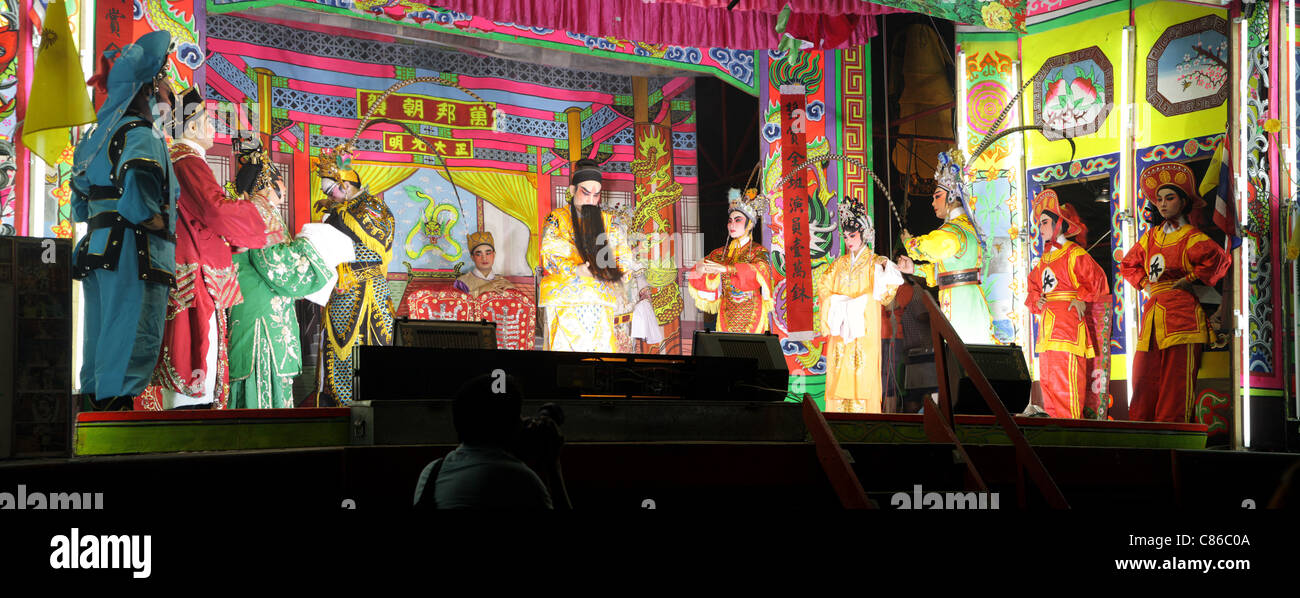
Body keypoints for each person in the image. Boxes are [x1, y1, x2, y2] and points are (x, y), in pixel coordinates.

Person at [140, 88, 269, 410]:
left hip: (182, 265)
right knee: (194, 348)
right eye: (208, 121)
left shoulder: (178, 161)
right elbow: (216, 211)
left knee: (189, 345)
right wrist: (258, 213)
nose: (214, 128)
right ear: (192, 128)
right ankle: (189, 425)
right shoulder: (188, 161)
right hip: (192, 272)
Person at [70, 31, 177, 411]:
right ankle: (116, 442)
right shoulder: (142, 134)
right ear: (147, 88)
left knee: (100, 340)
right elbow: (139, 193)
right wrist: (152, 221)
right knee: (131, 339)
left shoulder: (96, 136)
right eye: (164, 81)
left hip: (97, 248)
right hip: (133, 251)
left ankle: (92, 426)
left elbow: (80, 207)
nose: (169, 93)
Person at [227, 142, 355, 409]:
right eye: (280, 180)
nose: (284, 187)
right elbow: (275, 263)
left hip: (260, 307)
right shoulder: (260, 211)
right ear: (267, 182)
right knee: (262, 383)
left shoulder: (260, 211)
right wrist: (313, 242)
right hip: (261, 316)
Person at [1120, 162, 1230, 423]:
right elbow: (1128, 264)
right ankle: (1142, 435)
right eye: (1159, 199)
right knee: (1143, 379)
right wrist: (1144, 284)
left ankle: (1172, 440)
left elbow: (1219, 261)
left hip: (1182, 318)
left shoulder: (1191, 236)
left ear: (1183, 202)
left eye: (1169, 198)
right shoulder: (1150, 238)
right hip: (1152, 318)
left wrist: (1190, 278)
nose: (1163, 204)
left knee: (1176, 384)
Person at [315, 143, 397, 405]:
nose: (331, 196)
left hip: (369, 289)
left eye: (332, 190)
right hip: (339, 291)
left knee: (372, 348)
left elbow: (378, 239)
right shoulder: (340, 210)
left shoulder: (373, 207)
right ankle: (340, 406)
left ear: (345, 184)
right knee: (338, 353)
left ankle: (371, 406)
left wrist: (335, 216)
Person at [539, 158, 648, 352]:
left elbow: (622, 254)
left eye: (596, 195)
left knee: (601, 359)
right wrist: (574, 269)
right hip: (566, 299)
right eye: (585, 193)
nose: (591, 200)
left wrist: (621, 272)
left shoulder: (609, 222)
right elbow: (549, 253)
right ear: (573, 190)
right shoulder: (557, 219)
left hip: (599, 300)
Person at [1024, 190, 1110, 419]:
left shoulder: (1075, 254)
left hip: (1068, 329)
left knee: (1066, 388)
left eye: (1044, 222)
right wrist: (1037, 299)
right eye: (1039, 223)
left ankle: (1072, 435)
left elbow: (1098, 281)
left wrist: (1080, 296)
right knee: (1049, 387)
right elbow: (1033, 287)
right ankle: (1056, 437)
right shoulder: (1043, 260)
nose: (1040, 228)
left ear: (1059, 224)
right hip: (1047, 330)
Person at [896, 149, 995, 345]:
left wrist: (909, 243)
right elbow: (946, 269)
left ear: (951, 197)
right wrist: (914, 269)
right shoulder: (967, 228)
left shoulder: (954, 231)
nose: (933, 202)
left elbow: (932, 246)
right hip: (965, 296)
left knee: (963, 354)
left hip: (962, 303)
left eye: (937, 196)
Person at [412, 373, 552, 510]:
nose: (524, 421)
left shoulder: (431, 472)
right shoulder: (524, 481)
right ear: (509, 425)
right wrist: (552, 465)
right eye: (519, 415)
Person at [818, 195, 903, 413]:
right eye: (845, 236)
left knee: (862, 372)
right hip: (841, 329)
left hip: (864, 329)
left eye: (852, 235)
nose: (849, 240)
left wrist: (887, 271)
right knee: (837, 371)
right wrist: (836, 303)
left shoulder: (876, 263)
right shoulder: (837, 265)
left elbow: (886, 296)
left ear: (864, 234)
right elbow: (824, 288)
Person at [688, 189, 774, 333]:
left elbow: (761, 269)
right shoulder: (721, 253)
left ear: (750, 224)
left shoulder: (759, 251)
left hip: (752, 311)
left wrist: (728, 269)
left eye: (738, 220)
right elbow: (701, 269)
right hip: (726, 313)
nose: (732, 225)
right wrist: (701, 269)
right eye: (730, 221)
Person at [454, 230, 517, 298]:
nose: (484, 258)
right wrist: (481, 290)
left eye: (488, 253)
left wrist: (513, 292)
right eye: (479, 254)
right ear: (472, 257)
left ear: (494, 254)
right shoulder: (462, 282)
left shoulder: (503, 282)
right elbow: (455, 303)